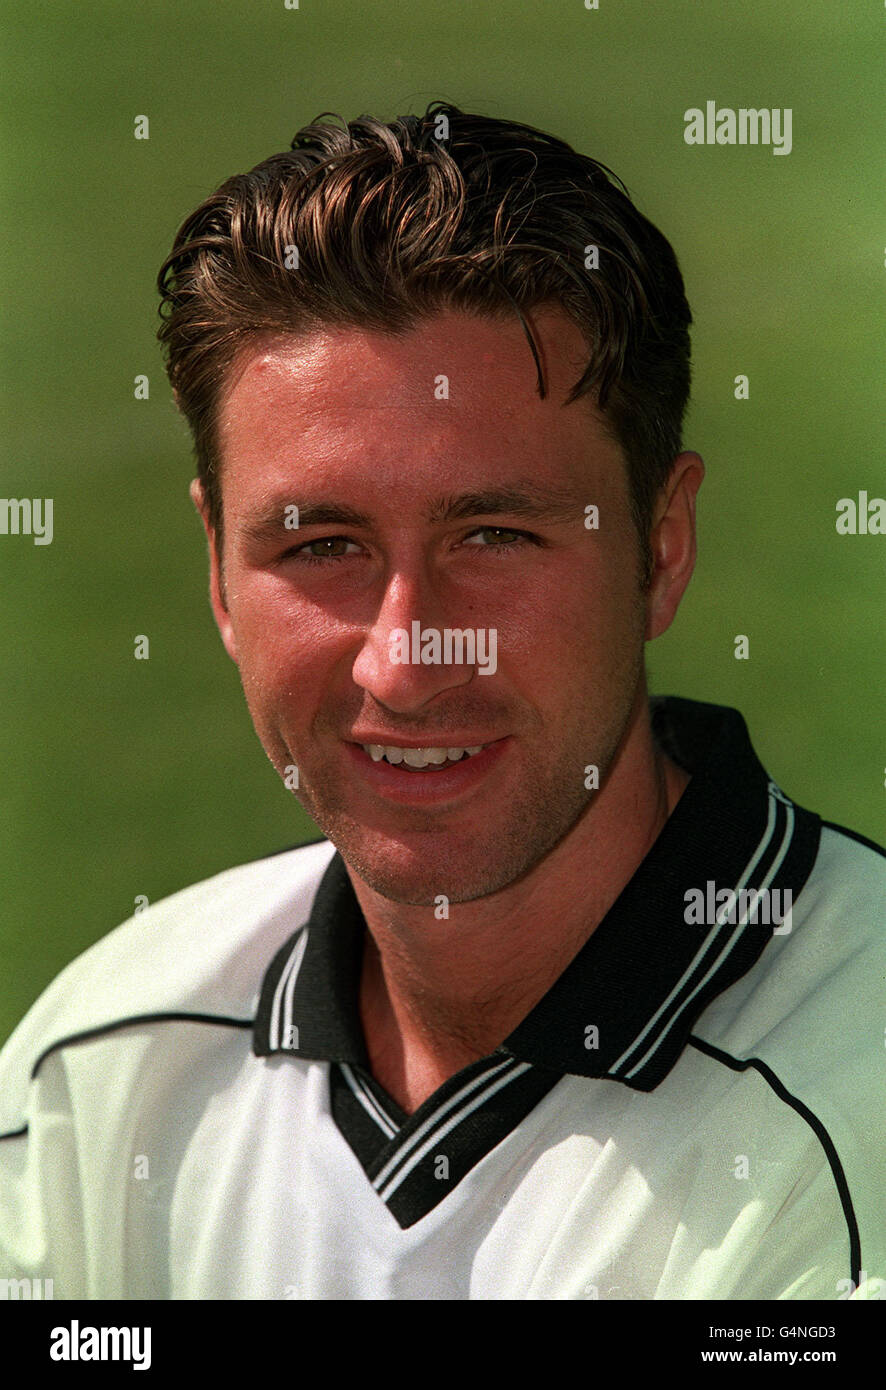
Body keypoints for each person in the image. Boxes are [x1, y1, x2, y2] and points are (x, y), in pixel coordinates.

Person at [0, 103, 882, 1301]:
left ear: (661, 546)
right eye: (321, 545)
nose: (405, 662)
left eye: (496, 533)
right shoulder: (99, 1072)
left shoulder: (855, 1110)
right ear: (215, 567)